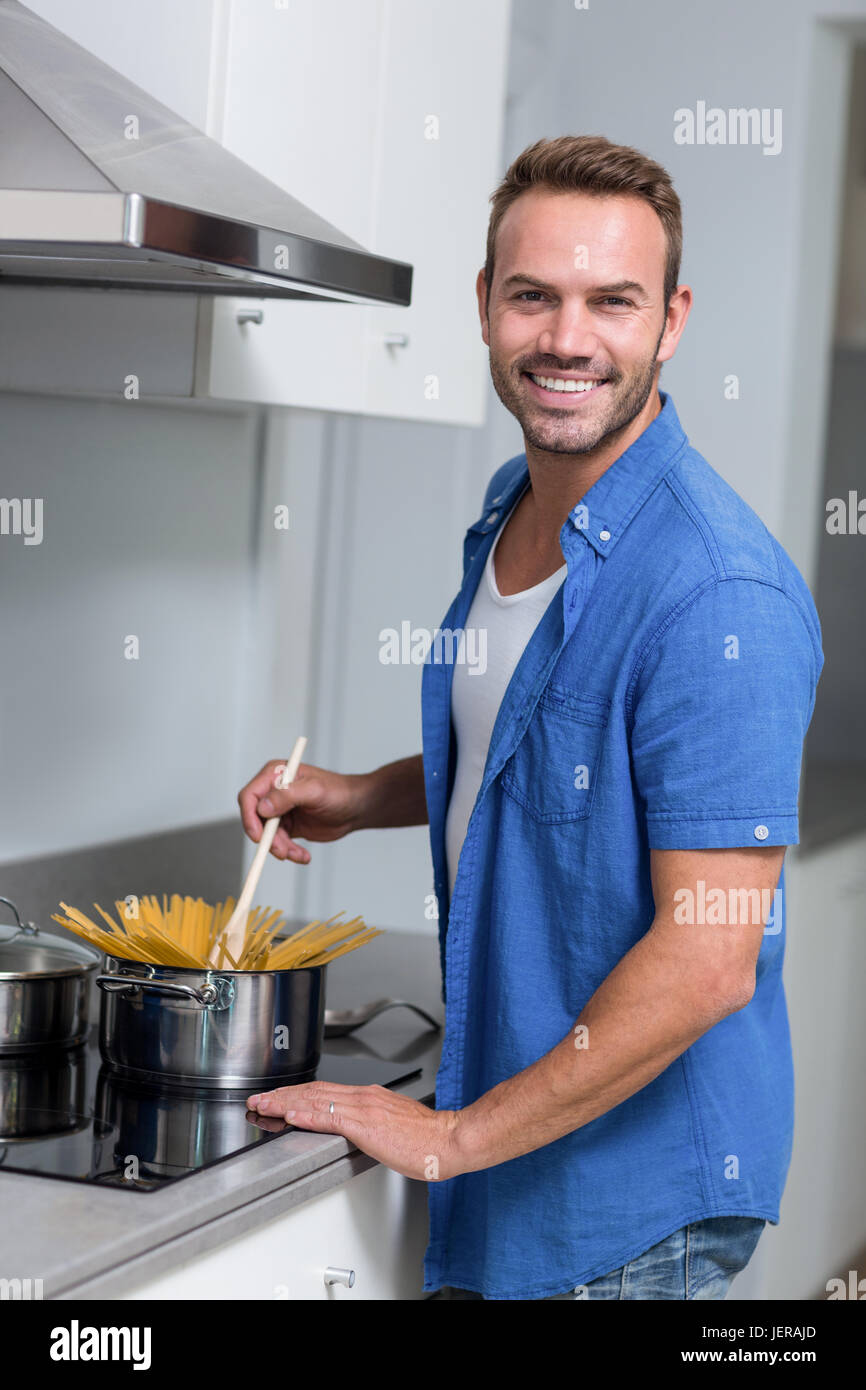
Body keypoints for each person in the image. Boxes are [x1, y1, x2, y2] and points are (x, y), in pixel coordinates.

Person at [240, 134, 823, 1301]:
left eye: (611, 300)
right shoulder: (518, 507)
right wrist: (360, 797)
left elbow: (706, 958)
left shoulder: (717, 593)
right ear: (484, 307)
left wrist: (452, 1137)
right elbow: (537, 748)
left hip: (628, 1194)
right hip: (523, 1122)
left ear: (670, 319)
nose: (565, 339)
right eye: (532, 296)